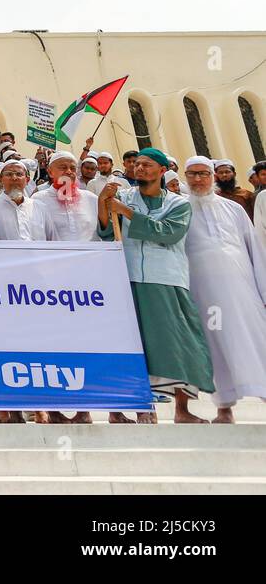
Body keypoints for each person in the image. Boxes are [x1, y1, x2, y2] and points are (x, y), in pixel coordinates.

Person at [98, 147, 215, 424]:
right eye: (137, 165)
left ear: (162, 171)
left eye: (147, 165)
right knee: (129, 343)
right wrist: (102, 204)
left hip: (165, 278)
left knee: (177, 343)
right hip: (127, 277)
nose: (140, 169)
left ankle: (182, 410)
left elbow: (169, 234)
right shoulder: (124, 195)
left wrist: (125, 211)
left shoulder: (178, 203)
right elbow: (105, 230)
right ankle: (131, 408)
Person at [181, 157, 266, 423]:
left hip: (243, 291)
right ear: (185, 176)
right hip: (203, 293)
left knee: (255, 341)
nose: (198, 179)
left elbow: (254, 248)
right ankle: (224, 409)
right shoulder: (179, 209)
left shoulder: (234, 209)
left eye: (203, 174)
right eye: (192, 174)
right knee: (216, 347)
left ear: (213, 176)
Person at [32, 152, 100, 242]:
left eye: (72, 168)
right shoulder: (38, 200)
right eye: (63, 168)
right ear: (50, 172)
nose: (69, 172)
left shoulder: (91, 198)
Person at [0, 160, 38, 241]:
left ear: (27, 180)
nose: (14, 178)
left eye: (19, 174)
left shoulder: (39, 207)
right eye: (9, 174)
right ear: (1, 180)